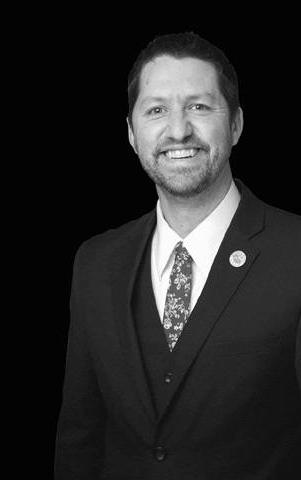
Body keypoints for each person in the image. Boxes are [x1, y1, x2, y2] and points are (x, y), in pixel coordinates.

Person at [54, 32, 301, 479]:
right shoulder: (95, 263)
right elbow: (80, 437)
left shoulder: (296, 252)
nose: (178, 130)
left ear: (237, 124)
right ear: (132, 134)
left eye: (199, 106)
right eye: (156, 110)